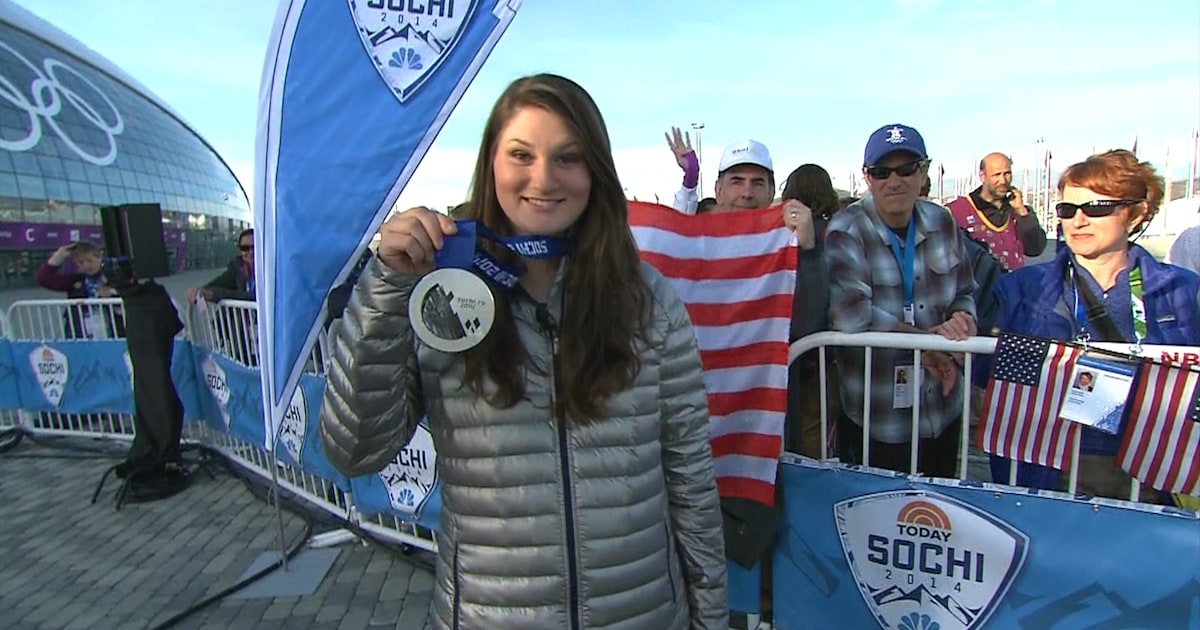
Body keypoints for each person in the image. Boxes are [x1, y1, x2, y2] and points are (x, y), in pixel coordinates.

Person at [319, 73, 727, 629]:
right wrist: (387, 286)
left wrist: (710, 619)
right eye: (520, 154)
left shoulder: (646, 300)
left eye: (568, 158)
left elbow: (691, 484)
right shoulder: (440, 290)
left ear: (596, 171)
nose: (543, 179)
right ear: (492, 164)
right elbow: (353, 450)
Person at [985, 150, 1200, 500]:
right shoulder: (1020, 288)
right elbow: (984, 369)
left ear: (1135, 214)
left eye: (1096, 208)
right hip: (1050, 470)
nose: (1078, 220)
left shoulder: (1183, 291)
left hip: (1150, 473)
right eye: (1067, 210)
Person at [824, 124, 977, 477]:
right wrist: (926, 345)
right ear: (867, 178)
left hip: (942, 410)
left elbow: (966, 292)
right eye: (882, 172)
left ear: (923, 172)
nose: (895, 180)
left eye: (907, 169)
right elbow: (851, 316)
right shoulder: (845, 229)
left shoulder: (942, 221)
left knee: (939, 519)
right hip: (877, 417)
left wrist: (962, 321)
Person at [780, 164, 842, 459]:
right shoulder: (841, 231)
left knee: (798, 432)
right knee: (817, 432)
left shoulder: (789, 234)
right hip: (825, 358)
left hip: (798, 351)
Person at [947, 152, 1047, 270]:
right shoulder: (956, 211)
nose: (1003, 180)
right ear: (982, 176)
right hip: (978, 286)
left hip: (1012, 285)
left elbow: (1035, 249)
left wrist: (1022, 212)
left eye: (1007, 174)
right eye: (997, 175)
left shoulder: (1017, 210)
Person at [665, 127, 776, 214]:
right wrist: (689, 182)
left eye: (757, 183)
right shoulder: (706, 239)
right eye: (737, 182)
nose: (747, 193)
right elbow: (678, 233)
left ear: (771, 193)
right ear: (719, 191)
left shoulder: (787, 237)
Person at [35, 241, 124, 339]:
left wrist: (112, 294)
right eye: (81, 262)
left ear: (99, 257)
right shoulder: (75, 281)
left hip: (114, 333)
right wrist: (59, 256)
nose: (86, 265)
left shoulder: (115, 276)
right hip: (82, 334)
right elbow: (43, 279)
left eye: (90, 260)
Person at [187, 228, 256, 304]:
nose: (251, 252)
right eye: (245, 248)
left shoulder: (269, 271)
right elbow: (219, 282)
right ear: (240, 250)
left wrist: (215, 294)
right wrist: (200, 291)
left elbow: (255, 296)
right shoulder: (238, 267)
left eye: (255, 247)